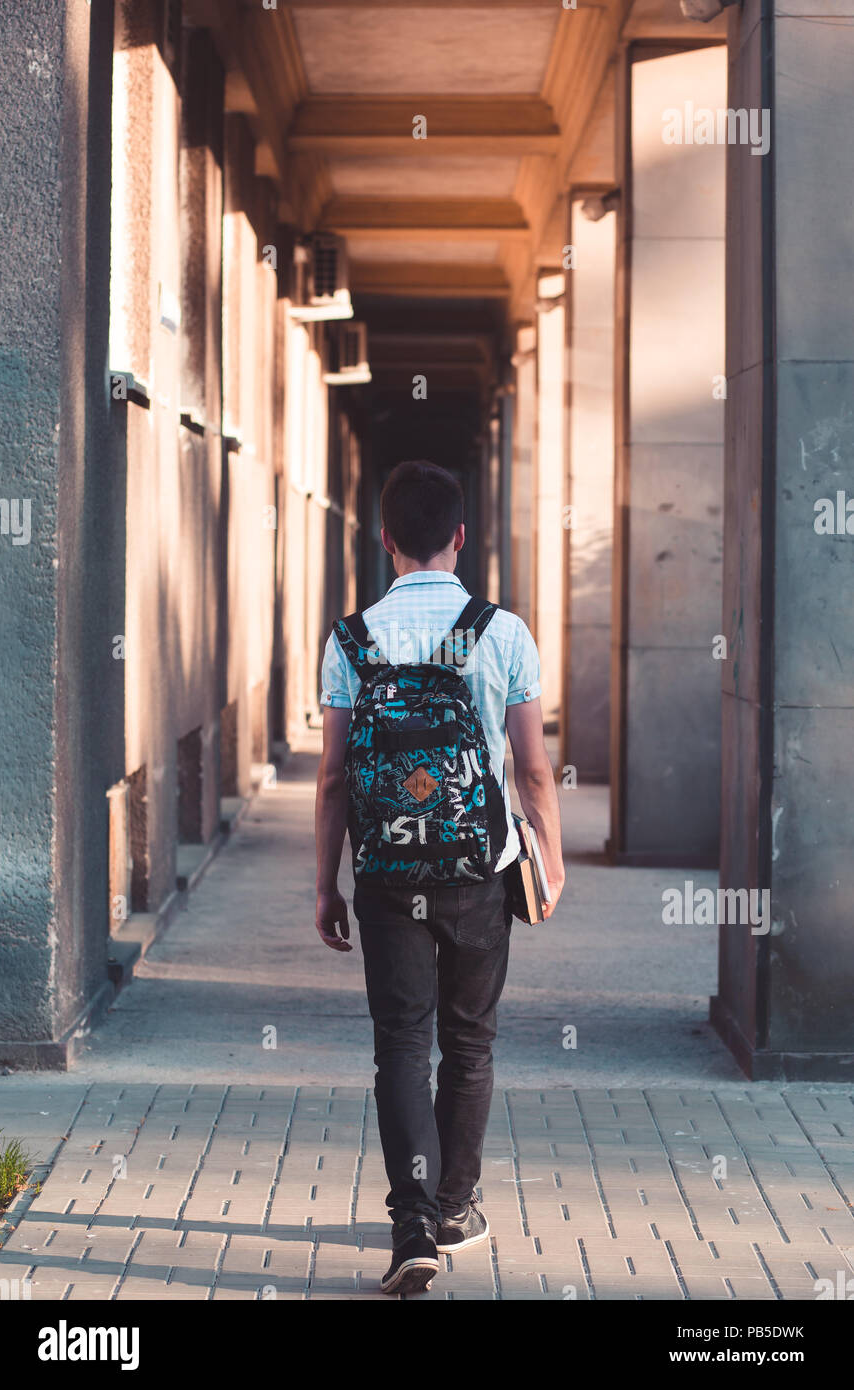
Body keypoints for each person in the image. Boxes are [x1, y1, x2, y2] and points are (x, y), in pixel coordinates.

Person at [315, 459, 564, 1295]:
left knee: (400, 1047)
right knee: (469, 1043)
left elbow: (331, 777)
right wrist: (550, 860)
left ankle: (411, 1226)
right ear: (461, 536)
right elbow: (532, 770)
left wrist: (326, 883)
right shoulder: (503, 632)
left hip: (385, 876)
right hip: (475, 876)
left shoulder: (351, 638)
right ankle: (454, 1208)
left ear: (385, 540)